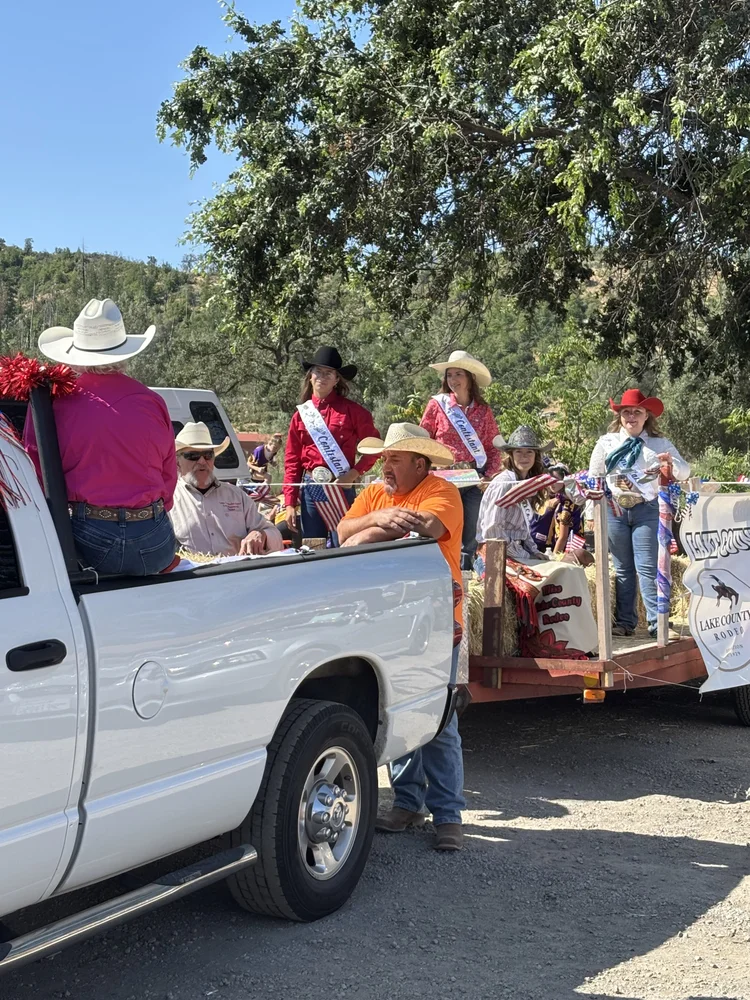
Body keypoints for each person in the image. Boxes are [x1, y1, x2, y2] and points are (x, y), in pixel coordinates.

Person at [338, 422, 466, 851]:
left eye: (393, 459)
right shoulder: (376, 493)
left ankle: (448, 815)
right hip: (390, 622)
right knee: (397, 712)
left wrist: (371, 531)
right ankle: (410, 803)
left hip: (432, 620)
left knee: (439, 719)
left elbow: (429, 525)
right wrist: (376, 519)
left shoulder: (441, 491)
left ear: (419, 462)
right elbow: (341, 532)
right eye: (384, 458)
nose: (384, 466)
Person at [24, 298, 177, 575]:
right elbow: (169, 476)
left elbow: (35, 471)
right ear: (123, 352)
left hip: (89, 537)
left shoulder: (52, 401)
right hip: (155, 541)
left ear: (76, 355)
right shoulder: (152, 401)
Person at [477, 426, 598, 659]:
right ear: (510, 456)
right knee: (556, 574)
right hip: (496, 554)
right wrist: (518, 556)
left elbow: (524, 532)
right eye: (519, 452)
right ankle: (545, 643)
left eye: (529, 453)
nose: (524, 457)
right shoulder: (504, 482)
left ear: (536, 457)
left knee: (570, 571)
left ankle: (574, 642)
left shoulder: (528, 483)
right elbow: (491, 530)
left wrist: (534, 552)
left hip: (519, 551)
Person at [589, 389, 690, 639]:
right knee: (623, 568)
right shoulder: (606, 442)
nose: (631, 417)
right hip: (614, 509)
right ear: (619, 416)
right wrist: (591, 513)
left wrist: (671, 464)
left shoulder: (660, 444)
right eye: (626, 412)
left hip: (647, 508)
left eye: (637, 412)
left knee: (647, 566)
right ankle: (625, 622)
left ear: (647, 416)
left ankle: (658, 622)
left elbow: (684, 472)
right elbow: (594, 478)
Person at [283, 346, 379, 544]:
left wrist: (353, 474)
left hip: (341, 486)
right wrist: (290, 503)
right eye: (318, 371)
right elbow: (292, 461)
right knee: (313, 545)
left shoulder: (354, 412)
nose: (322, 377)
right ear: (310, 376)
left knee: (344, 543)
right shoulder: (300, 416)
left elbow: (375, 447)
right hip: (310, 488)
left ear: (337, 380)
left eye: (328, 373)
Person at [420, 350, 501, 570]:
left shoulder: (483, 411)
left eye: (458, 374)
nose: (453, 380)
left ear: (469, 378)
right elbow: (422, 441)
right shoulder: (437, 405)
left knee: (471, 533)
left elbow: (494, 448)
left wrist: (489, 476)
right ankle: (441, 572)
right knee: (445, 527)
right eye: (449, 375)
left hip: (474, 478)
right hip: (444, 477)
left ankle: (465, 576)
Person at [170, 422, 283, 557]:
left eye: (207, 455)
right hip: (194, 577)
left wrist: (261, 535)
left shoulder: (236, 496)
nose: (202, 461)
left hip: (237, 575)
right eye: (193, 455)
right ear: (177, 462)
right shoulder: (168, 502)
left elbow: (275, 536)